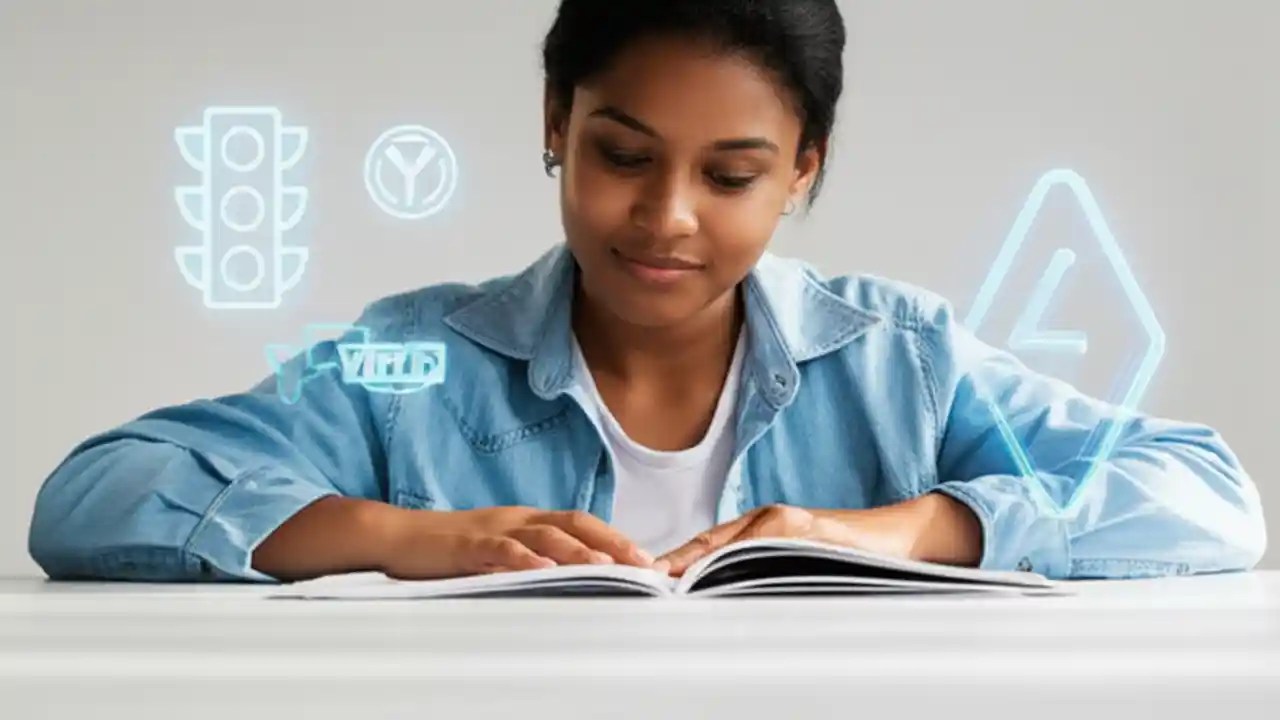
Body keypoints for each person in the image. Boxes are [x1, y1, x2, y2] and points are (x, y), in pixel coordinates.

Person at [29, 0, 1265, 584]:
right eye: (622, 154)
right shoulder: (415, 364)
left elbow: (1209, 500)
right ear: (555, 125)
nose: (665, 219)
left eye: (730, 175)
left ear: (801, 174)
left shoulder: (901, 362)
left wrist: (895, 531)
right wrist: (403, 535)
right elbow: (92, 495)